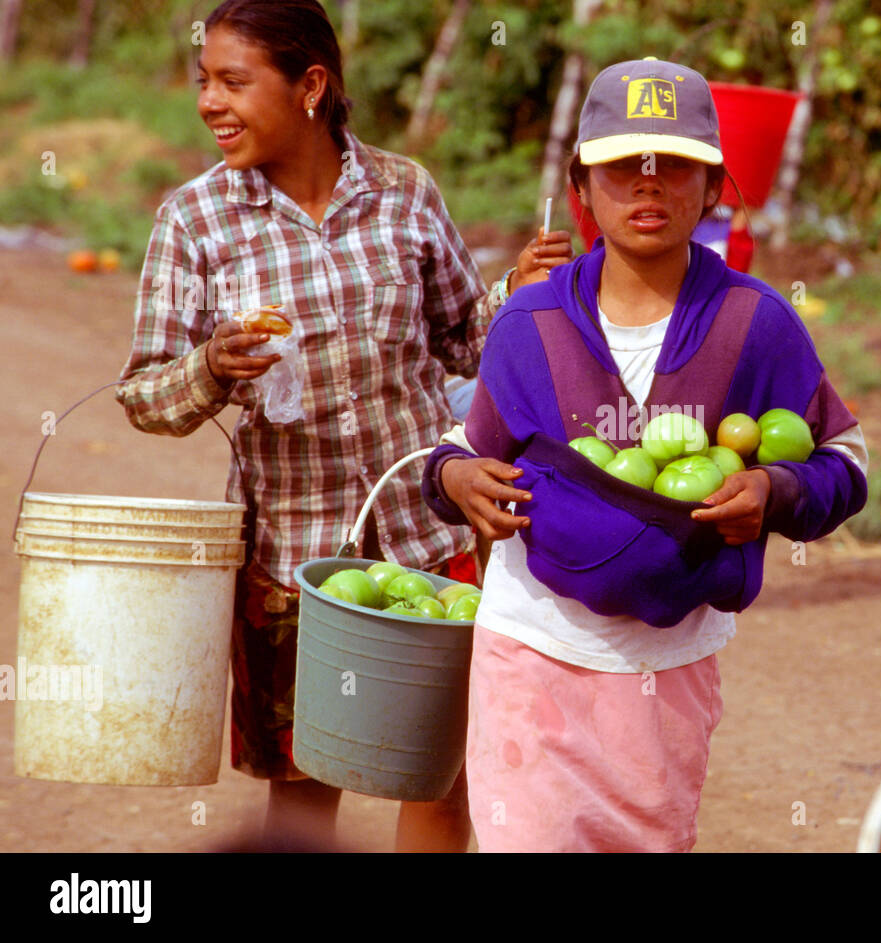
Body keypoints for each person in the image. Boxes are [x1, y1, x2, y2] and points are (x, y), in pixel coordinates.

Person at [115, 0, 568, 851]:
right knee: (305, 786)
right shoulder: (196, 221)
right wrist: (211, 366)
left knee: (440, 773)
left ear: (311, 86)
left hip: (431, 536)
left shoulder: (404, 192)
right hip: (291, 559)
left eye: (233, 82)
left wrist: (515, 290)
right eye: (204, 82)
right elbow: (142, 397)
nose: (209, 101)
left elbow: (464, 338)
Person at [421, 57, 869, 851]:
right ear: (580, 189)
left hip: (670, 664)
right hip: (532, 648)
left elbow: (846, 461)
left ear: (713, 187)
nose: (648, 187)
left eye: (674, 168)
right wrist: (455, 477)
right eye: (624, 168)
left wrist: (775, 486)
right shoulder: (530, 323)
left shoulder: (754, 323)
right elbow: (465, 446)